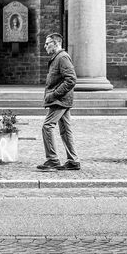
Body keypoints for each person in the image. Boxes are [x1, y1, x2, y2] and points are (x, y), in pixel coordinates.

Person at [37, 32, 80, 171]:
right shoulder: (57, 58)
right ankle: (73, 161)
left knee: (47, 126)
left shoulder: (62, 57)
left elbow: (71, 79)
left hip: (59, 100)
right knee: (66, 130)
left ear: (56, 43)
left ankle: (53, 159)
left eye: (47, 43)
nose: (45, 46)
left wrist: (54, 94)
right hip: (61, 99)